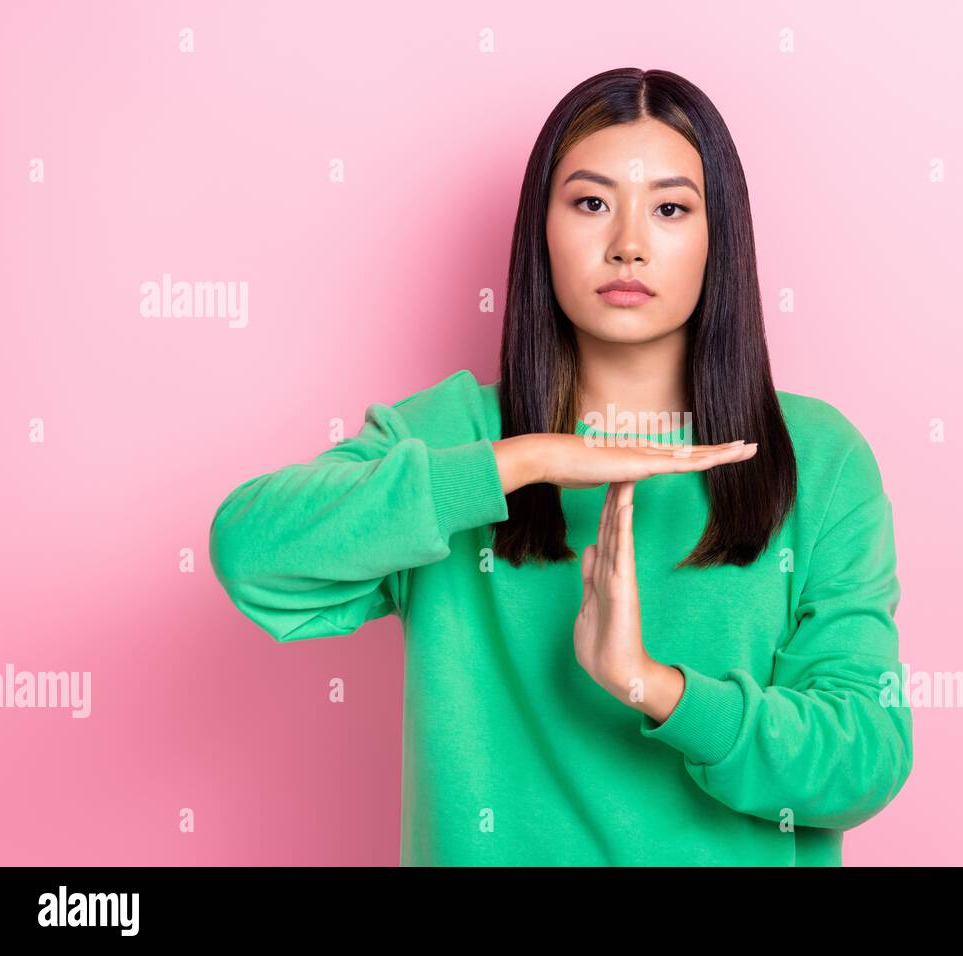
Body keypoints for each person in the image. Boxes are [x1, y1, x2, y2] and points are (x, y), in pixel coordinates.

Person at [208, 67, 912, 866]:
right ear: (540, 228)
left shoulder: (816, 458)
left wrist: (653, 686)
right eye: (590, 202)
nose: (629, 243)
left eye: (671, 208)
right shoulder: (462, 436)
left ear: (721, 237)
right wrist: (525, 460)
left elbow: (864, 759)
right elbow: (252, 553)